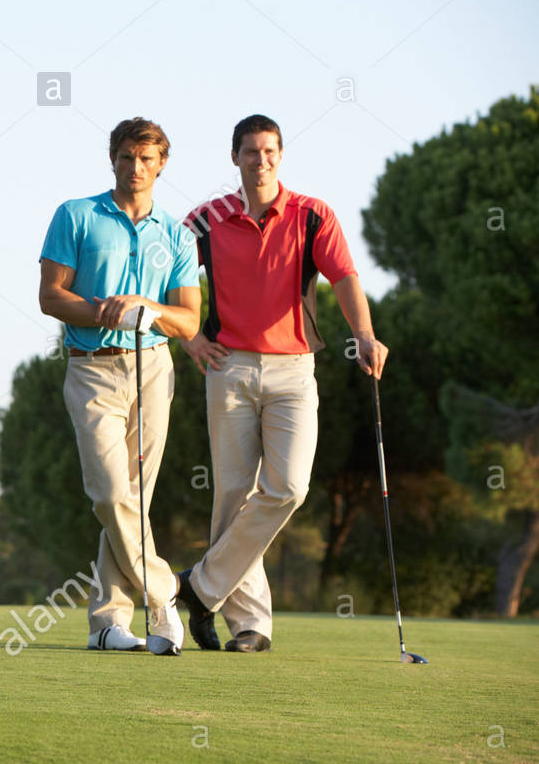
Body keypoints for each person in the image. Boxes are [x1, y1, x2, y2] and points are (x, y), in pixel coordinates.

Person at [176, 114, 389, 653]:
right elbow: (168, 280)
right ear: (235, 158)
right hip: (228, 365)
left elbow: (344, 277)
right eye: (251, 152)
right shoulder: (207, 218)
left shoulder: (313, 215)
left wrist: (363, 332)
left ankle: (200, 587)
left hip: (294, 368)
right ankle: (250, 625)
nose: (262, 160)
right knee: (232, 494)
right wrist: (190, 339)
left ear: (280, 155)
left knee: (289, 488)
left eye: (270, 150)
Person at [38, 118, 201, 655]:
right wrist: (102, 311)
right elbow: (50, 297)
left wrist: (147, 310)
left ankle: (108, 623)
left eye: (147, 159)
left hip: (153, 370)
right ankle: (167, 592)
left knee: (135, 500)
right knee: (111, 494)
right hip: (91, 368)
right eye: (128, 157)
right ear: (113, 159)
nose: (136, 168)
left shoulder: (178, 235)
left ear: (162, 165)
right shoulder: (76, 215)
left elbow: (189, 322)